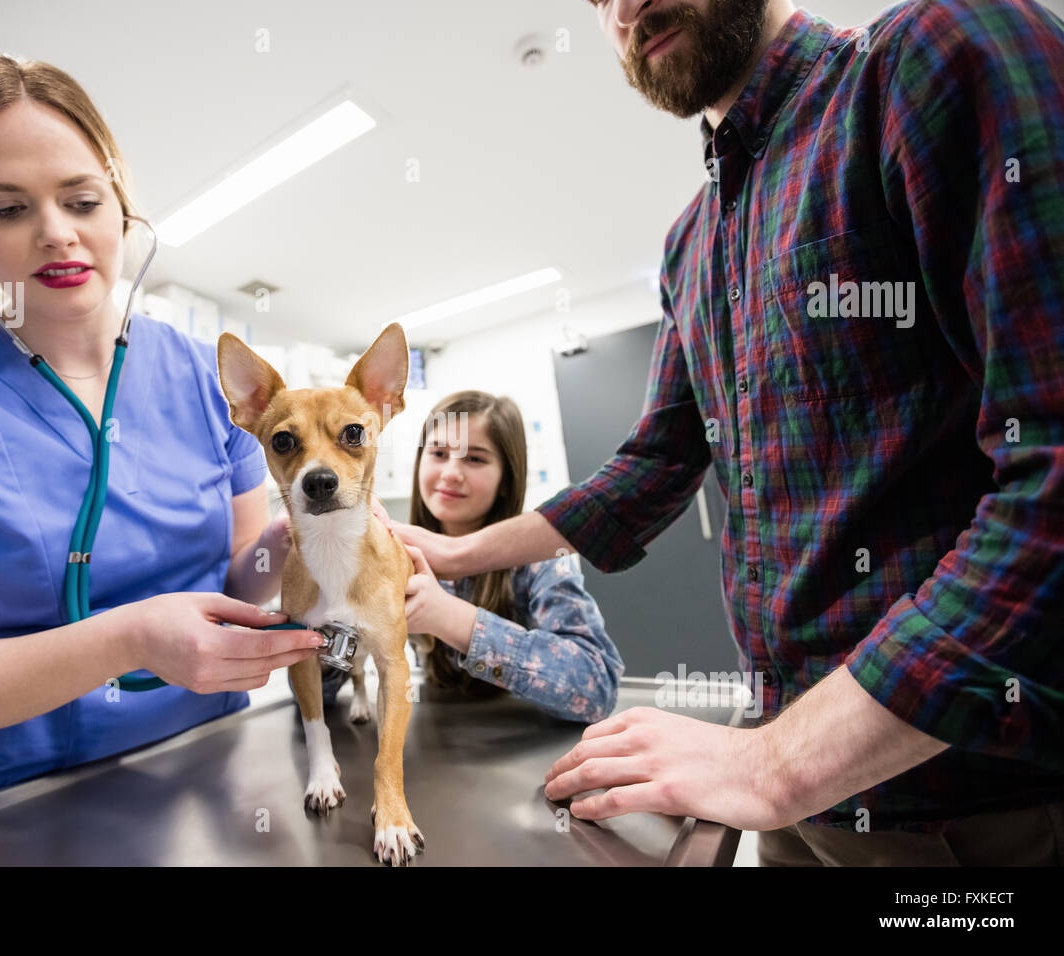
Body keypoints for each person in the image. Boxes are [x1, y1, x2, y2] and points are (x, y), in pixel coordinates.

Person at [395, 0, 1064, 865]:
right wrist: (451, 558)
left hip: (973, 806)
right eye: (595, 0)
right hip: (789, 803)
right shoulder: (691, 244)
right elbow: (653, 465)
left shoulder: (930, 59)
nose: (624, 8)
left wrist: (778, 764)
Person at [0, 54, 327, 822]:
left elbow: (240, 585)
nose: (56, 234)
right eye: (6, 210)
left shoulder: (207, 378)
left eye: (81, 199)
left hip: (202, 782)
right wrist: (132, 637)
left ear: (120, 205)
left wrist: (296, 533)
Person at [322, 391, 624, 722]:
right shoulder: (393, 554)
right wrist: (332, 623)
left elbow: (596, 691)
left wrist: (449, 617)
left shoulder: (538, 561)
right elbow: (315, 695)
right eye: (438, 453)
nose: (452, 472)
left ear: (506, 479)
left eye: (475, 459)